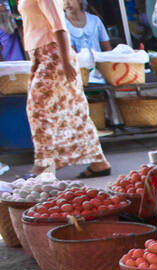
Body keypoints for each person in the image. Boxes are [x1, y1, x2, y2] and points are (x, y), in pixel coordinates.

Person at [18, 0, 110, 177]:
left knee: (38, 109)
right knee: (73, 109)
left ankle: (45, 164)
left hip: (54, 54)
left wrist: (66, 61)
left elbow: (59, 26)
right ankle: (99, 162)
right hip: (40, 54)